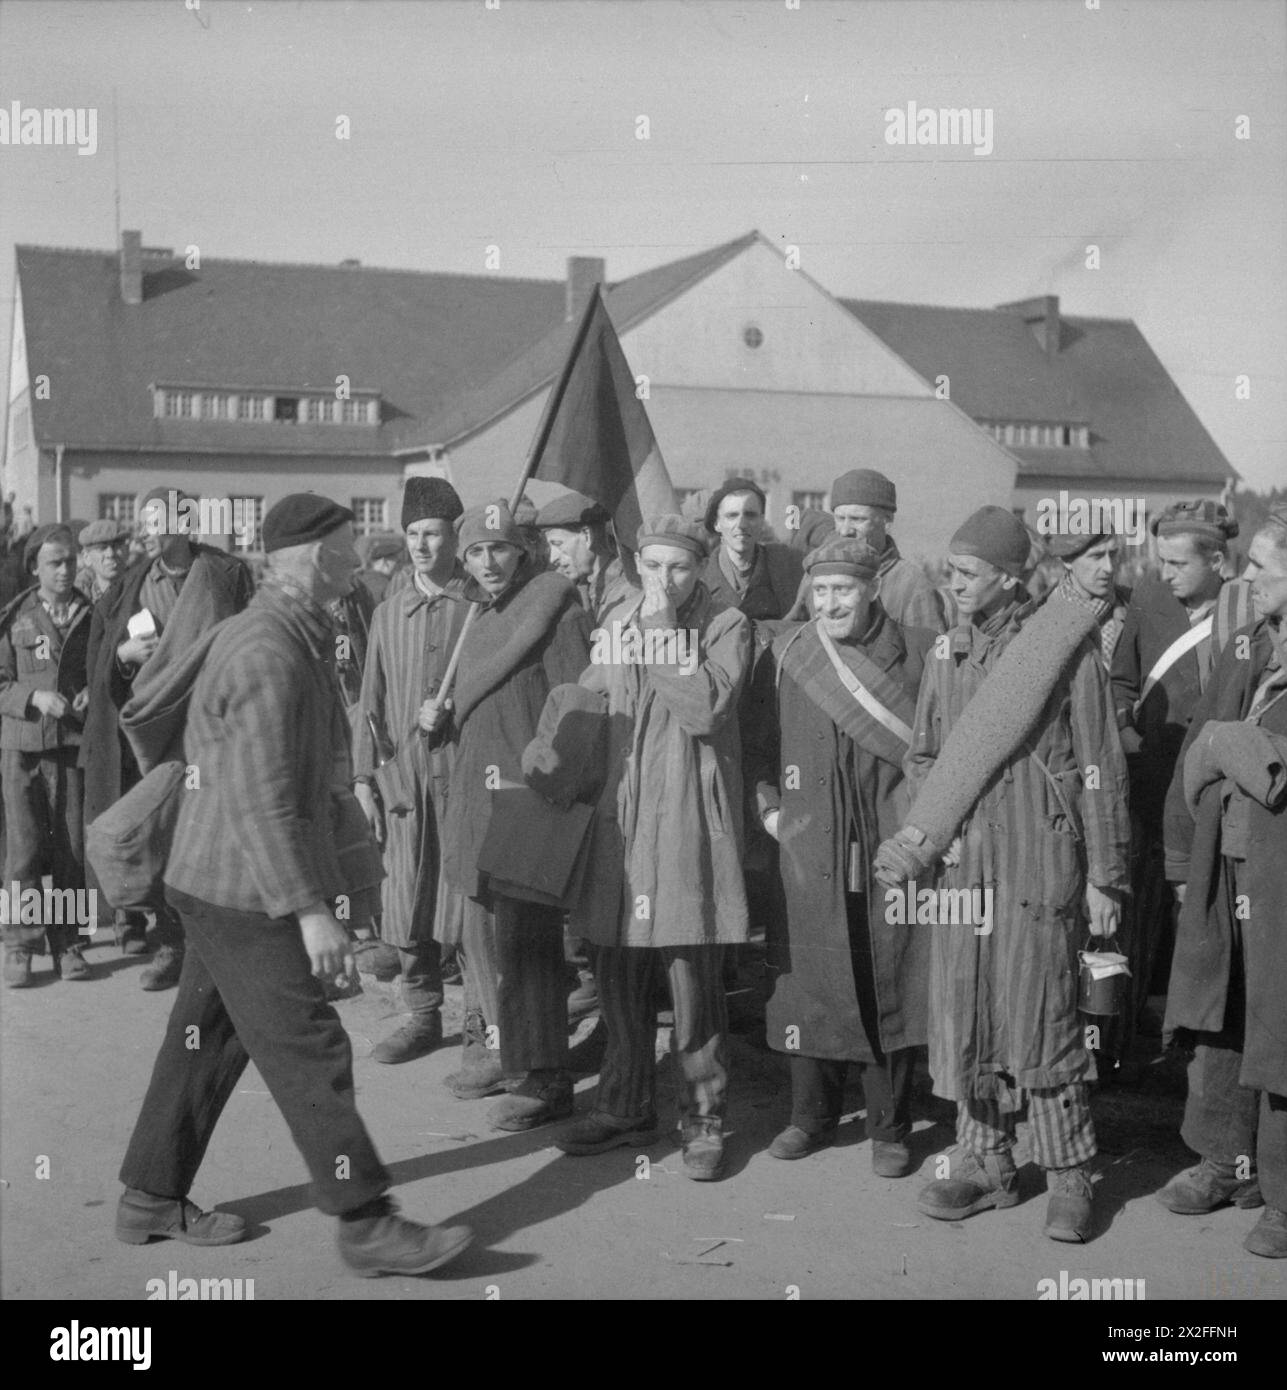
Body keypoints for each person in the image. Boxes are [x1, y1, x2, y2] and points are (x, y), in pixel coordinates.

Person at [114, 494, 472, 1276]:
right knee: (311, 1050)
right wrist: (310, 910)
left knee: (204, 1040)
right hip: (242, 892)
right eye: (348, 548)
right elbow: (261, 797)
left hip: (218, 880)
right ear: (315, 558)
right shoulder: (267, 650)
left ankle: (149, 1195)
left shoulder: (294, 632)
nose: (360, 560)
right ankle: (367, 1223)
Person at [875, 505, 1130, 1243]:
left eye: (969, 573)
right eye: (950, 571)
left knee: (1043, 1013)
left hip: (1040, 862)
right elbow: (923, 757)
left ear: (1011, 578)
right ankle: (985, 1159)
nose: (954, 584)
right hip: (964, 867)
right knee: (967, 1008)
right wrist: (937, 831)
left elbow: (1099, 770)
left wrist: (1104, 876)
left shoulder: (1065, 651)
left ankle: (1068, 1171)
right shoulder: (946, 652)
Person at [543, 514, 752, 1180]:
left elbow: (704, 708)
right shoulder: (620, 620)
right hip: (623, 820)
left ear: (701, 567)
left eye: (680, 566)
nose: (666, 579)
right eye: (654, 566)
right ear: (637, 564)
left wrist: (660, 630)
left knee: (692, 978)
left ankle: (703, 1119)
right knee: (618, 971)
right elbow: (594, 698)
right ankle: (624, 1104)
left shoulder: (726, 625)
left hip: (688, 820)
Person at [744, 536, 934, 1175]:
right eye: (821, 590)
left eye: (844, 589)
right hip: (809, 845)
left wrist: (919, 829)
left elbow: (941, 747)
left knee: (890, 976)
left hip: (891, 843)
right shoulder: (787, 654)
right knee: (809, 979)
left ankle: (890, 1127)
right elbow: (757, 748)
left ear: (873, 588)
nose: (830, 603)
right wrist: (771, 812)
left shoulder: (919, 652)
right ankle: (811, 1117)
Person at [1154, 513, 1287, 1259]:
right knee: (1218, 1011)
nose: (1247, 579)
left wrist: (1228, 743)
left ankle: (1283, 1197)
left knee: (1280, 1028)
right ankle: (1222, 1161)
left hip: (1280, 880)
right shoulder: (1247, 644)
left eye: (1264, 567)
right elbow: (1193, 752)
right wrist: (1181, 864)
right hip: (1223, 862)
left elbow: (1247, 755)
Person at [435, 502, 592, 1129]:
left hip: (528, 799)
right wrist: (434, 720)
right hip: (474, 798)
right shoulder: (476, 619)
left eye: (499, 548)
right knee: (479, 937)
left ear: (522, 551)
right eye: (475, 551)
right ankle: (505, 1054)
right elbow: (466, 712)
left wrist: (552, 789)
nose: (488, 562)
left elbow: (577, 710)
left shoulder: (557, 613)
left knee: (529, 945)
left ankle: (547, 1076)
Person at [82, 486, 253, 986]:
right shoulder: (130, 586)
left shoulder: (226, 573)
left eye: (156, 521)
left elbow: (252, 637)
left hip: (218, 725)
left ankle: (221, 946)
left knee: (217, 834)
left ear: (184, 525)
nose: (147, 531)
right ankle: (171, 943)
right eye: (144, 521)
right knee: (167, 836)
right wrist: (124, 658)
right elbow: (102, 662)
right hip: (159, 734)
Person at [1110, 500, 1239, 1055]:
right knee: (1137, 910)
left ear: (1218, 562)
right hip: (1151, 782)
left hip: (1210, 794)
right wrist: (1129, 737)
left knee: (1201, 911)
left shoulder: (1243, 611)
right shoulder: (1150, 599)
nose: (1165, 573)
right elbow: (1121, 682)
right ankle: (1123, 1032)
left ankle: (1196, 1035)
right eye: (1161, 561)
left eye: (1178, 563)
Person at [353, 477, 470, 1064]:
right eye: (413, 534)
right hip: (403, 780)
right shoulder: (387, 613)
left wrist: (454, 707)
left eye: (433, 534)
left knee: (467, 896)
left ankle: (483, 1025)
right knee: (405, 892)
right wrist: (362, 780)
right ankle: (421, 1013)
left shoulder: (479, 608)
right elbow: (368, 702)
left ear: (455, 536)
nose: (421, 546)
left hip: (465, 775)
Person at [534, 489, 637, 1030]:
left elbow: (600, 679)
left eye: (558, 543)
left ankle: (618, 1029)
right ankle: (609, 1021)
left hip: (622, 762)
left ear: (589, 536)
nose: (552, 556)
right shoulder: (592, 591)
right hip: (596, 760)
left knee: (614, 903)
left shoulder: (626, 595)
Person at [0, 526, 93, 987]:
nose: (65, 570)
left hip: (70, 747)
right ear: (35, 567)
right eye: (55, 562)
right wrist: (34, 697)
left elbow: (106, 670)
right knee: (23, 850)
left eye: (71, 561)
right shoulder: (15, 618)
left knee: (71, 851)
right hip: (22, 750)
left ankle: (69, 943)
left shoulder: (92, 616)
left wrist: (92, 692)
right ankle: (19, 946)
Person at [786, 470, 946, 631]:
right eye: (840, 518)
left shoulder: (910, 584)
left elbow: (928, 644)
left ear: (887, 520)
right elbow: (794, 630)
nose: (845, 531)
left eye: (857, 519)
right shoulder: (818, 571)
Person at [701, 477, 803, 622]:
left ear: (762, 521)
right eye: (732, 516)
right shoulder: (700, 576)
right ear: (717, 523)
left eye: (750, 515)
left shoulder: (787, 565)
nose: (741, 524)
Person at [76, 519, 131, 602]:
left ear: (127, 551)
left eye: (116, 546)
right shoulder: (80, 599)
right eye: (102, 548)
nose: (110, 554)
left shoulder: (142, 592)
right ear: (87, 557)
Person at [356, 535, 403, 606]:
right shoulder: (387, 585)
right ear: (385, 562)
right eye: (397, 562)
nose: (399, 566)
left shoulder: (360, 578)